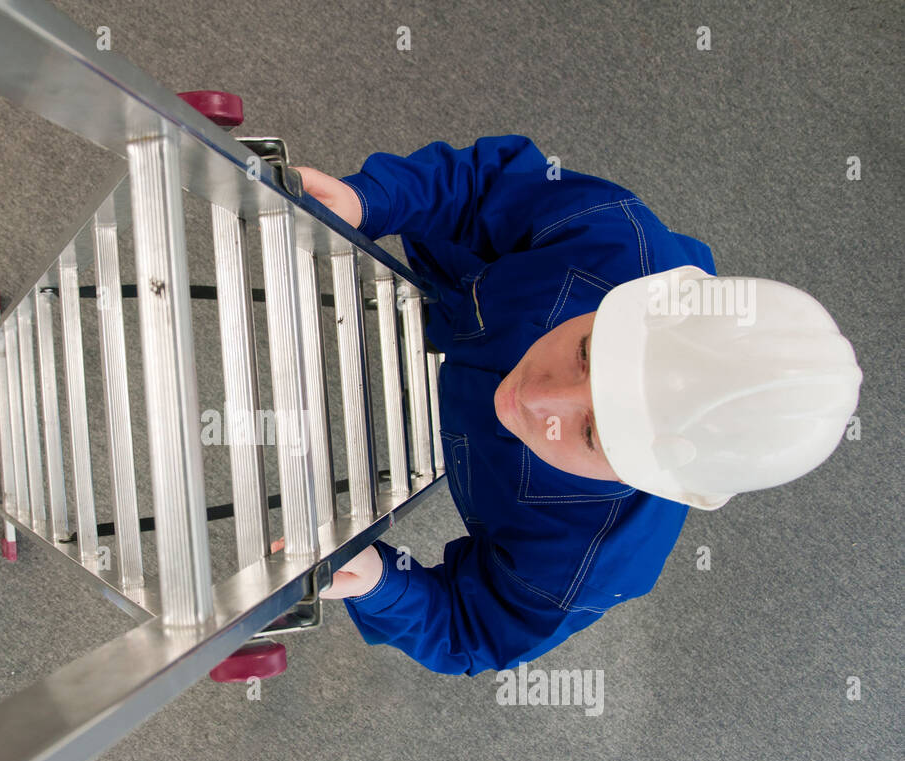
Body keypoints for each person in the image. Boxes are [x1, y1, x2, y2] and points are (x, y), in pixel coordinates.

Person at [290, 136, 862, 676]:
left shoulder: (589, 563)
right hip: (466, 297)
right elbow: (485, 188)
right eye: (587, 353)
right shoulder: (621, 245)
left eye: (593, 433)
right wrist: (373, 200)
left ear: (650, 477)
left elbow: (471, 630)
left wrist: (381, 583)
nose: (535, 396)